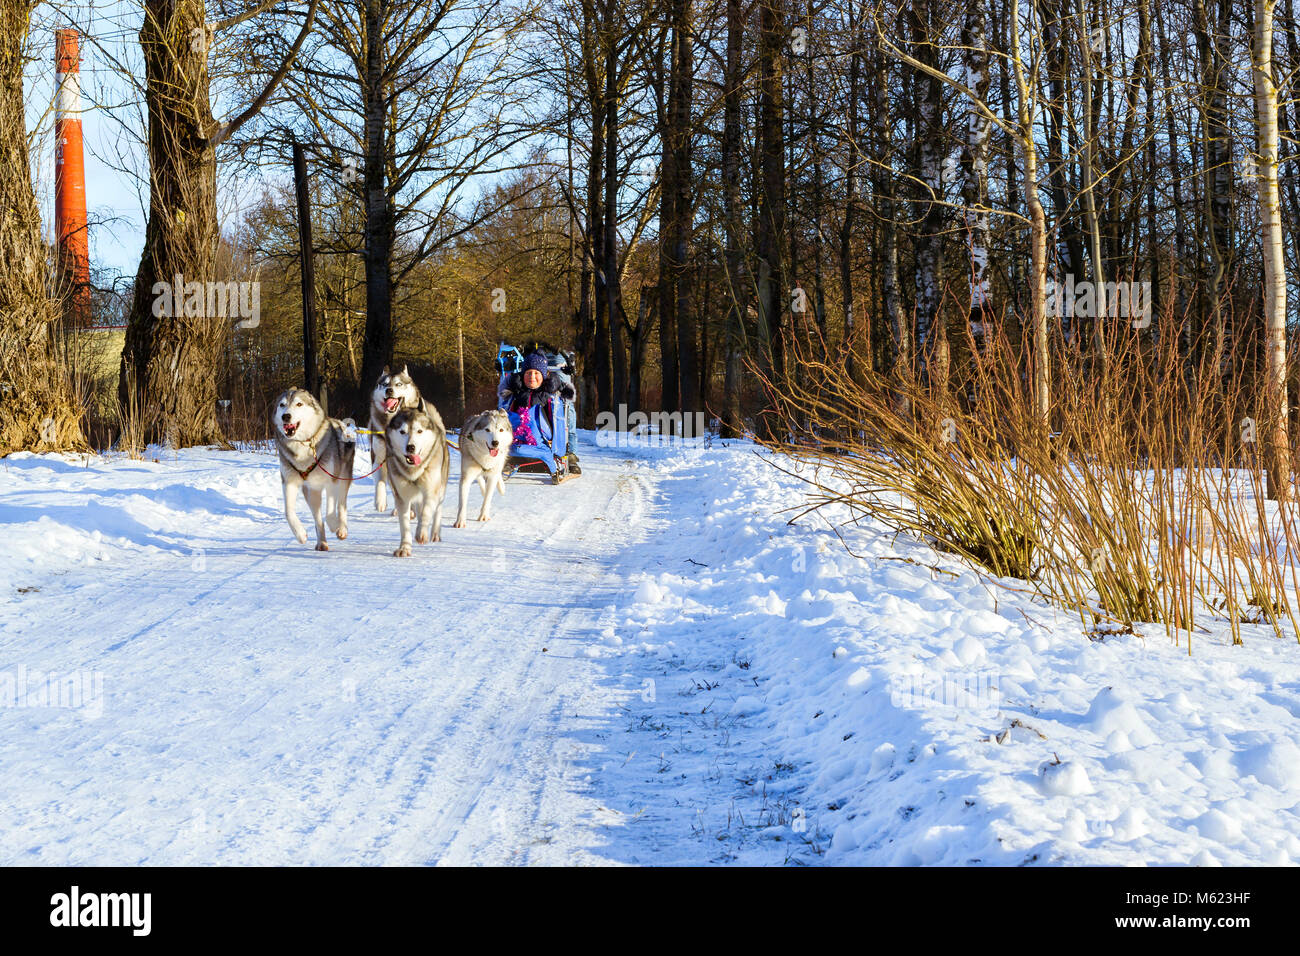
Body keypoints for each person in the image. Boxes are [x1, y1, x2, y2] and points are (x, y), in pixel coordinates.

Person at [499, 351, 580, 474]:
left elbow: (564, 390)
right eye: (528, 373)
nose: (532, 376)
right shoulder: (517, 389)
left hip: (543, 436)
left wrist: (564, 389)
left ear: (544, 376)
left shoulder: (549, 391)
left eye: (536, 373)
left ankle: (571, 455)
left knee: (567, 412)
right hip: (518, 434)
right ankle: (508, 460)